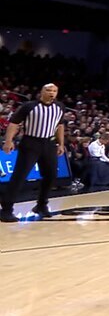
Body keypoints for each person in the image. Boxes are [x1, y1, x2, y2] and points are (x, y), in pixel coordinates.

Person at [1, 83, 66, 222]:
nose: (52, 93)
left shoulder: (60, 107)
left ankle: (41, 205)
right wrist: (8, 141)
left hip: (49, 143)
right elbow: (14, 123)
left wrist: (61, 143)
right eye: (48, 90)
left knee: (51, 175)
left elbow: (60, 125)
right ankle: (6, 209)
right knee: (19, 176)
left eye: (54, 91)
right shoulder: (29, 106)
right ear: (42, 92)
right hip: (31, 143)